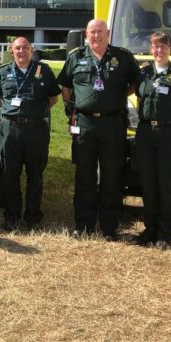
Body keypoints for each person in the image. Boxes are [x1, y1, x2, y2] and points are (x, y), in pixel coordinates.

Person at [57, 19, 140, 240]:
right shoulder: (76, 56)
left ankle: (109, 227)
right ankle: (83, 224)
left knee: (111, 175)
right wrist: (77, 106)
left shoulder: (122, 57)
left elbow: (135, 83)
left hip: (113, 124)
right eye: (92, 32)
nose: (96, 36)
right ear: (86, 34)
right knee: (84, 174)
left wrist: (117, 97)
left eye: (100, 32)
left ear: (108, 33)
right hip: (85, 124)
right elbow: (66, 87)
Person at [0, 37, 61, 231]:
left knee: (35, 174)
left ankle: (32, 217)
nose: (21, 51)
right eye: (18, 48)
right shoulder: (3, 72)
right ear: (11, 51)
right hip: (10, 129)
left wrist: (36, 113)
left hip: (36, 129)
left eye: (25, 48)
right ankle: (12, 216)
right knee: (10, 175)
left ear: (32, 49)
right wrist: (11, 112)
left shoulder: (43, 71)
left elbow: (54, 97)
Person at [132, 32, 171, 248]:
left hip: (169, 135)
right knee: (148, 183)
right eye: (156, 47)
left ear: (170, 48)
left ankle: (165, 234)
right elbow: (140, 100)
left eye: (164, 46)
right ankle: (149, 230)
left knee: (166, 184)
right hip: (146, 133)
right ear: (150, 49)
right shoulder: (144, 74)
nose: (159, 50)